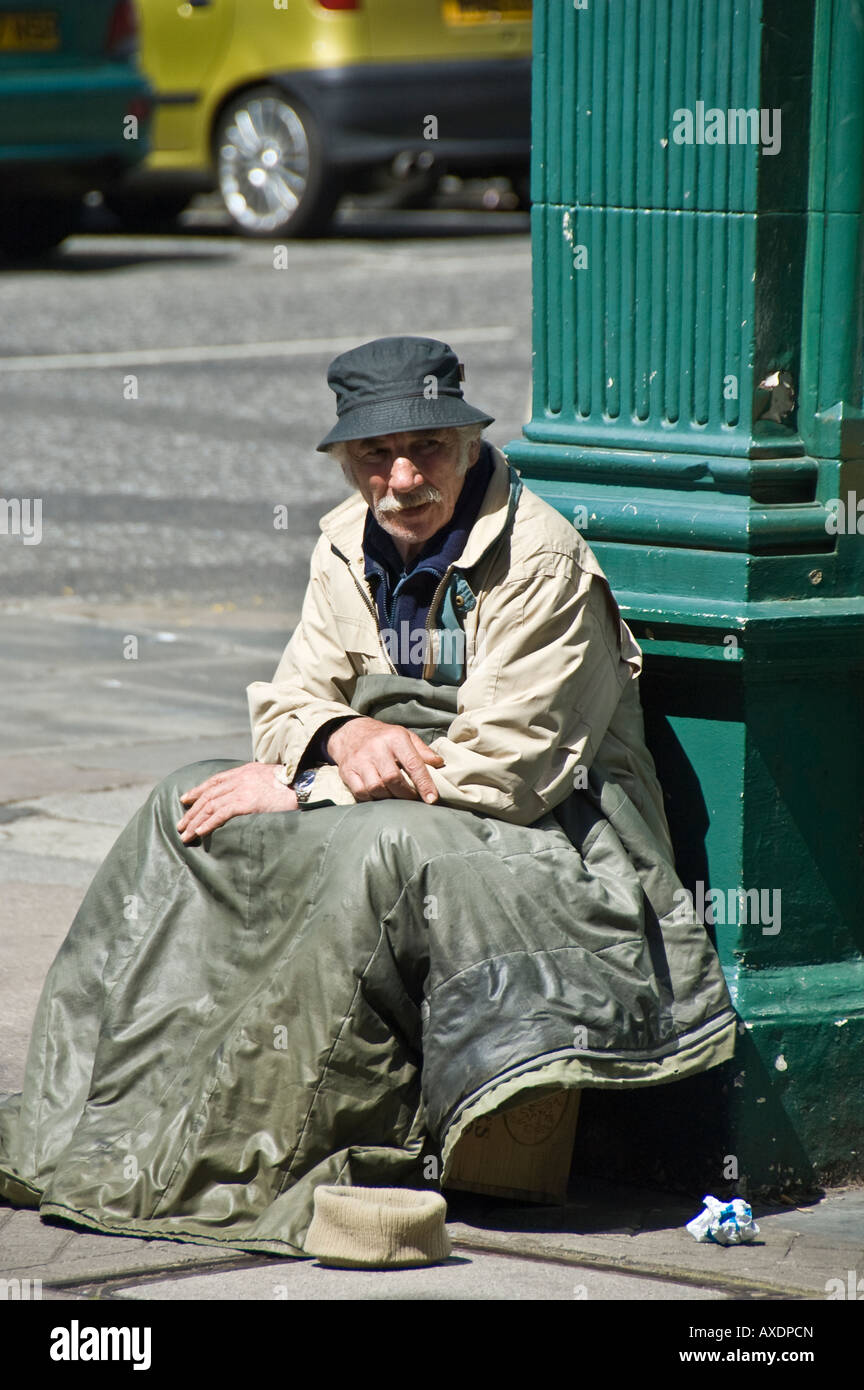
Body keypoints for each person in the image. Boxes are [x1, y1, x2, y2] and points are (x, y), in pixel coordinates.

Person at [0, 337, 736, 1257]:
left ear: (468, 445)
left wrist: (311, 784)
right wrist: (342, 737)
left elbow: (507, 770)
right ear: (346, 461)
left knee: (374, 845)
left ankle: (251, 1152)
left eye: (426, 448)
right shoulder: (345, 540)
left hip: (555, 840)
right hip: (389, 797)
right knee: (183, 803)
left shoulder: (542, 561)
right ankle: (91, 1115)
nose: (400, 476)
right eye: (373, 457)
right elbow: (292, 699)